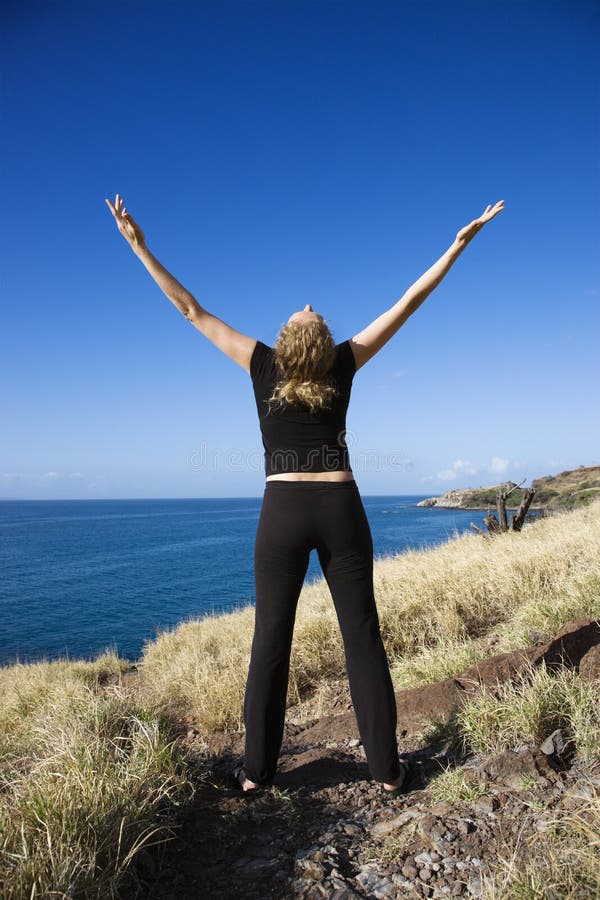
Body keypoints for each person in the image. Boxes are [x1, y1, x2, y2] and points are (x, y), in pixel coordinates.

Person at [105, 194, 504, 794]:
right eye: (309, 314)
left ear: (290, 342)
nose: (311, 306)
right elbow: (408, 303)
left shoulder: (263, 365)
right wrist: (454, 247)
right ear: (313, 344)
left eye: (308, 315)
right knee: (361, 638)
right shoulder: (344, 364)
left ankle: (256, 774)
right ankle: (387, 771)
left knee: (271, 641)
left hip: (282, 510)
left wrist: (138, 246)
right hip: (341, 508)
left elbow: (191, 310)